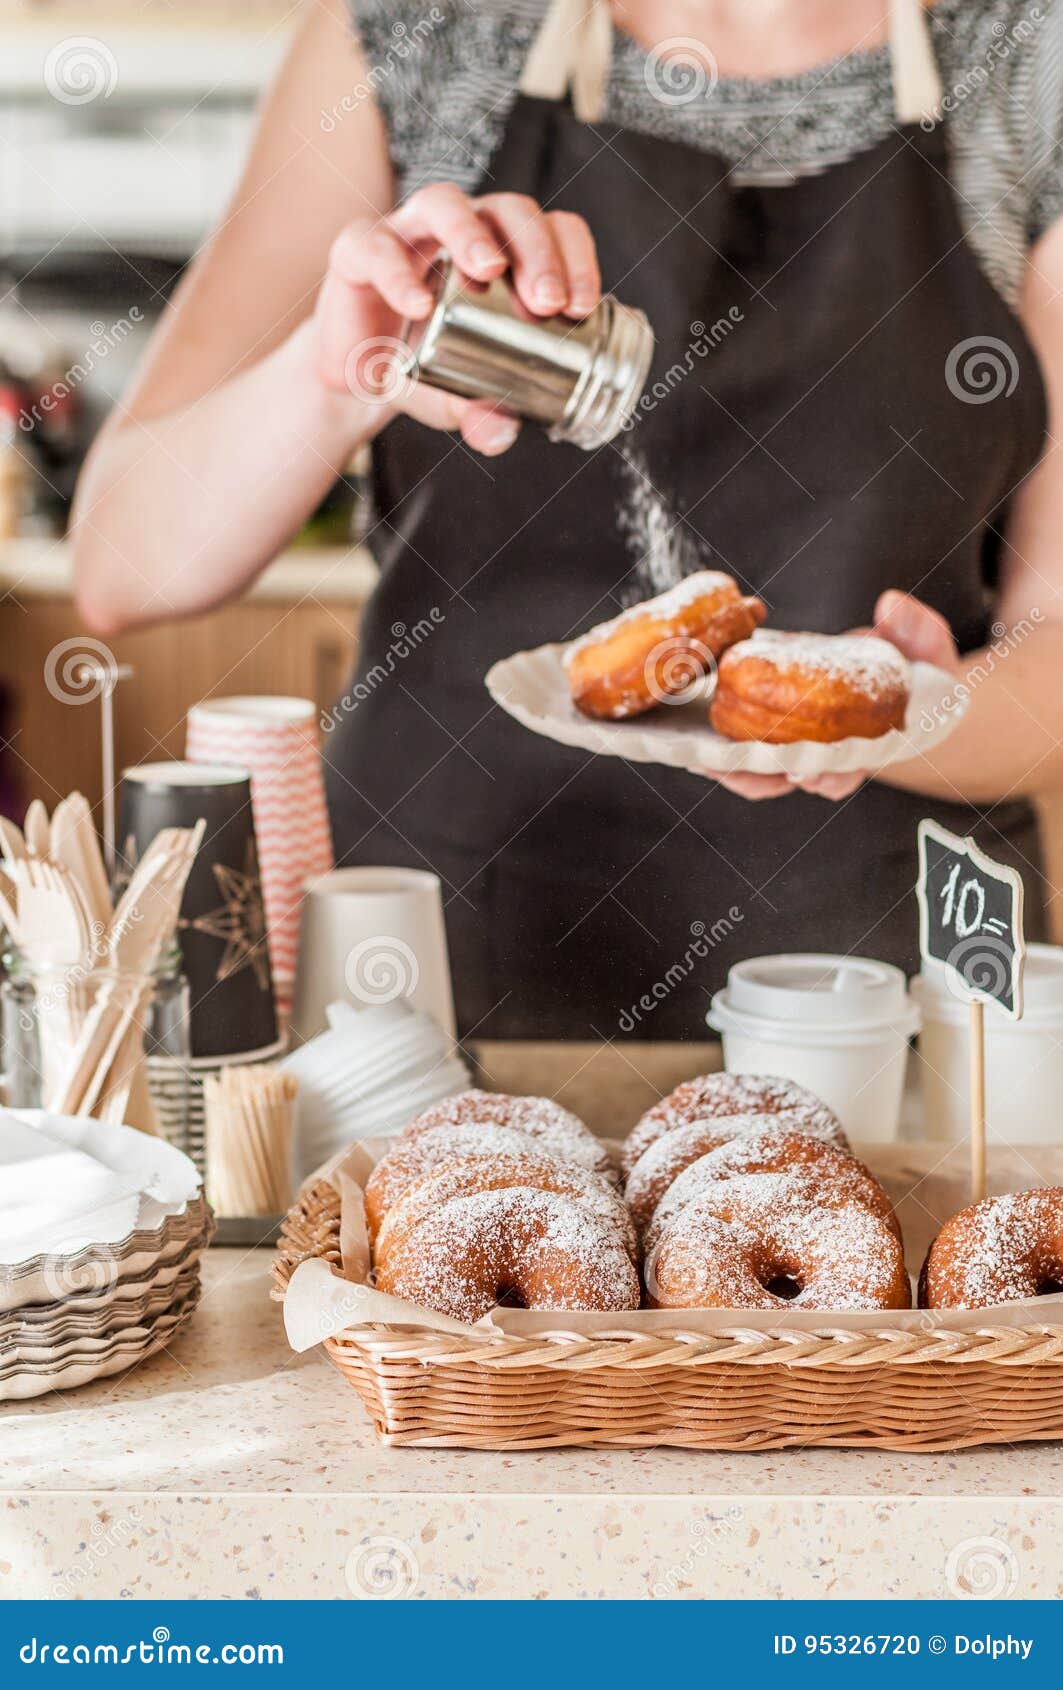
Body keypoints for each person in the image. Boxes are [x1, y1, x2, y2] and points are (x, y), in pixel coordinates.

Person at [73, 0, 1063, 1039]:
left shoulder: (1024, 54)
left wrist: (914, 713)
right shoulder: (426, 31)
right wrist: (335, 375)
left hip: (879, 1002)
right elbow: (121, 564)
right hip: (428, 979)